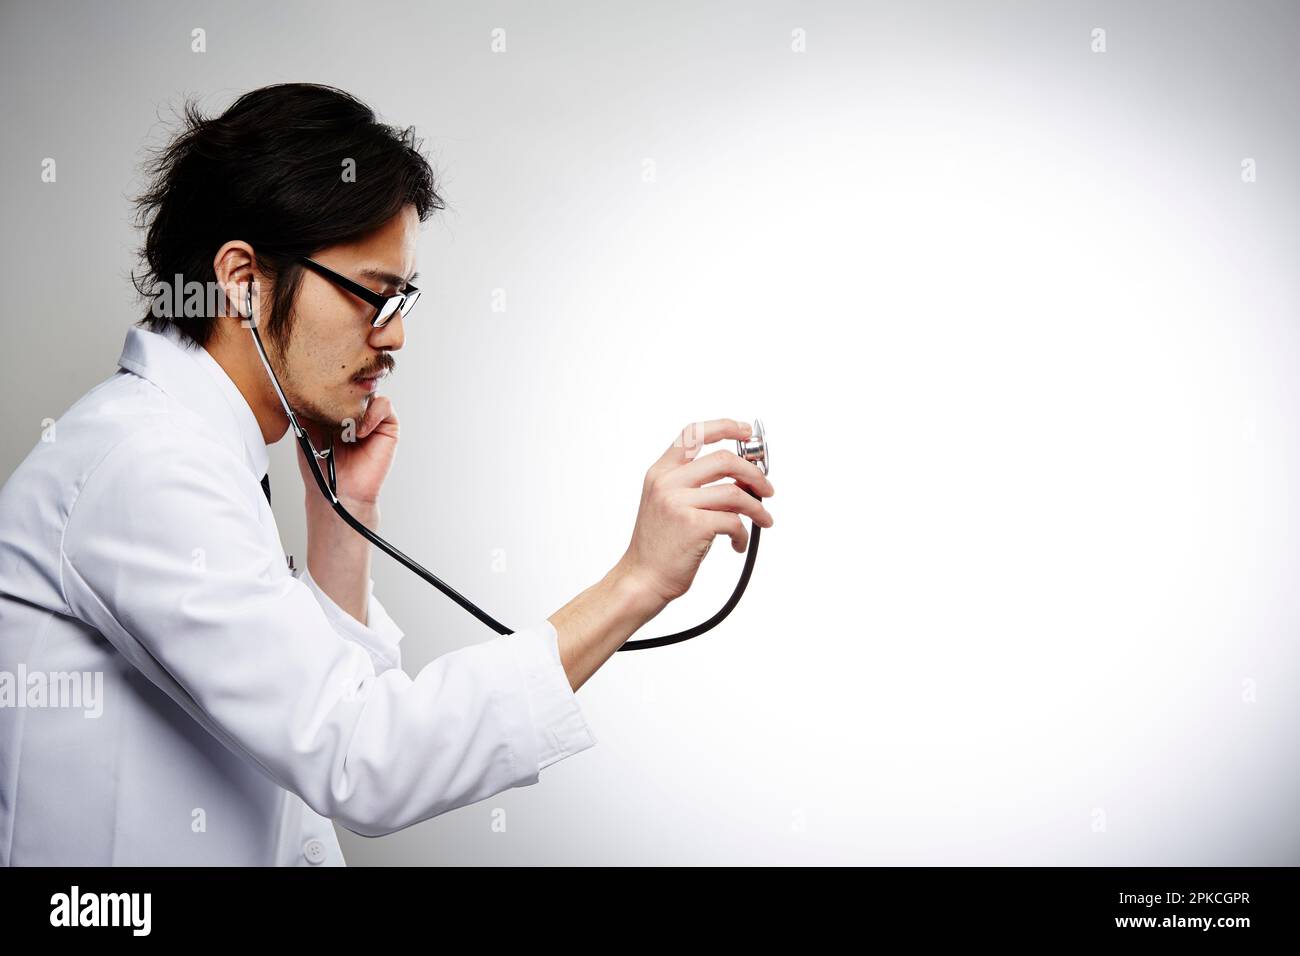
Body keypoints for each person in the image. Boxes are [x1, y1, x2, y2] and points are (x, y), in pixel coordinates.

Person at [0, 83, 775, 865]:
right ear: (240, 280)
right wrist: (638, 580)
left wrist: (345, 516)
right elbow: (366, 757)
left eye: (400, 298)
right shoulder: (148, 464)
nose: (395, 333)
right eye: (373, 294)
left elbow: (314, 716)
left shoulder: (190, 453)